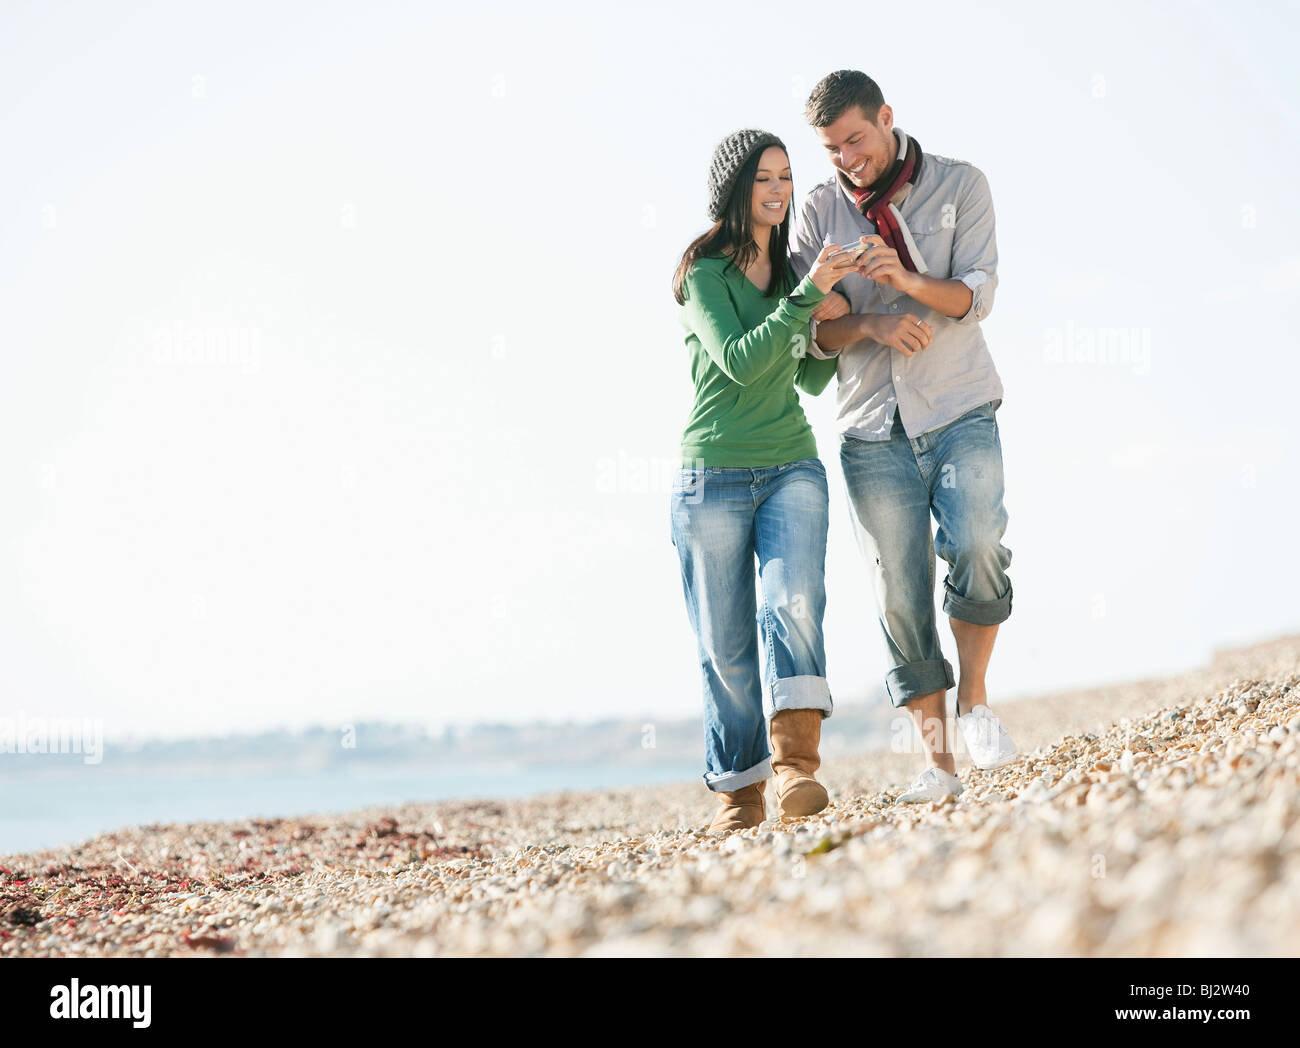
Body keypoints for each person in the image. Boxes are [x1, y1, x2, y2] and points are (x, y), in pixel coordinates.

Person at [790, 71, 1019, 805]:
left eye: (855, 139)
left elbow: (975, 296)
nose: (847, 159)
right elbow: (811, 338)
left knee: (980, 542)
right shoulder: (818, 214)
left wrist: (909, 281)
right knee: (899, 594)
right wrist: (856, 314)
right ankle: (939, 766)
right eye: (831, 150)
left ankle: (975, 703)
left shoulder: (962, 183)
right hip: (871, 429)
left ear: (886, 117)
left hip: (958, 406)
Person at [671, 129, 853, 834]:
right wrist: (808, 299)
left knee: (794, 600)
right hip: (709, 475)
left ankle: (795, 770)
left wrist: (836, 321)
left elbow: (806, 375)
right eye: (763, 179)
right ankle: (738, 798)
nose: (778, 192)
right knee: (725, 644)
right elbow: (743, 362)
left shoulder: (789, 273)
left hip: (790, 465)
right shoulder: (702, 274)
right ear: (735, 187)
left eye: (785, 177)